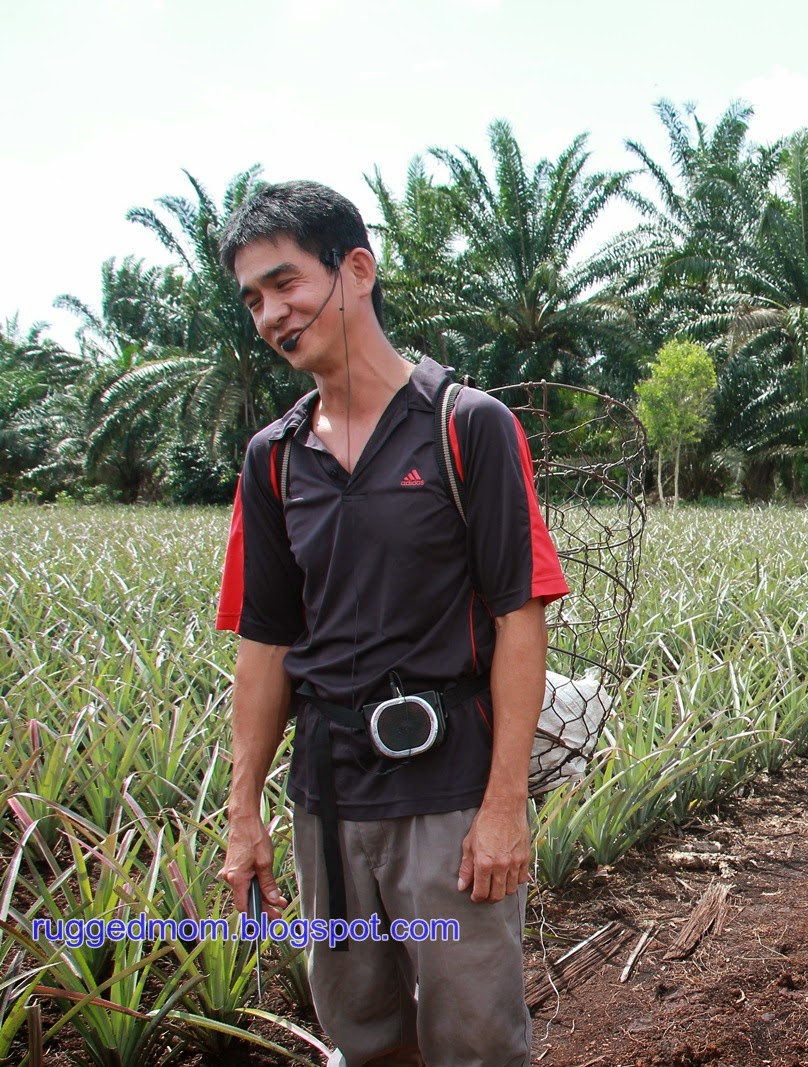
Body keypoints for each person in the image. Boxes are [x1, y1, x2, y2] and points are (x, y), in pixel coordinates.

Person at [214, 180, 568, 1067]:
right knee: (361, 1034)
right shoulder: (273, 459)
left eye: (285, 283)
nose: (271, 314)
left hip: (448, 794)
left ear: (357, 270)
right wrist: (244, 807)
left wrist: (504, 806)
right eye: (253, 299)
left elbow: (518, 620)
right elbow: (267, 644)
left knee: (476, 1040)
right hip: (326, 801)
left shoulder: (467, 427)